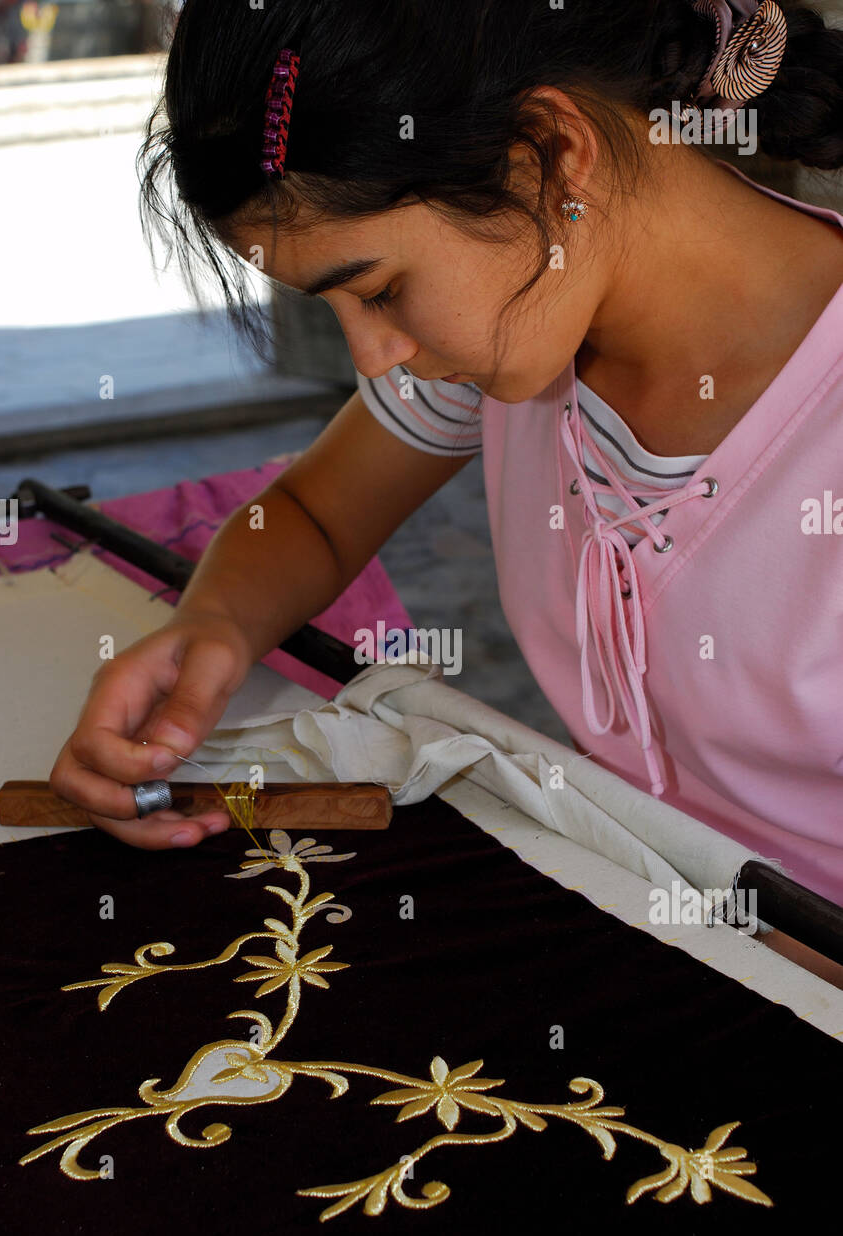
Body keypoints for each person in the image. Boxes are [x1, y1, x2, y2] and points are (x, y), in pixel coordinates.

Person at [50, 0, 843, 906]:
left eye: (382, 290)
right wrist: (213, 628)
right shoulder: (515, 329)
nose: (374, 356)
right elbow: (311, 513)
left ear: (548, 152)